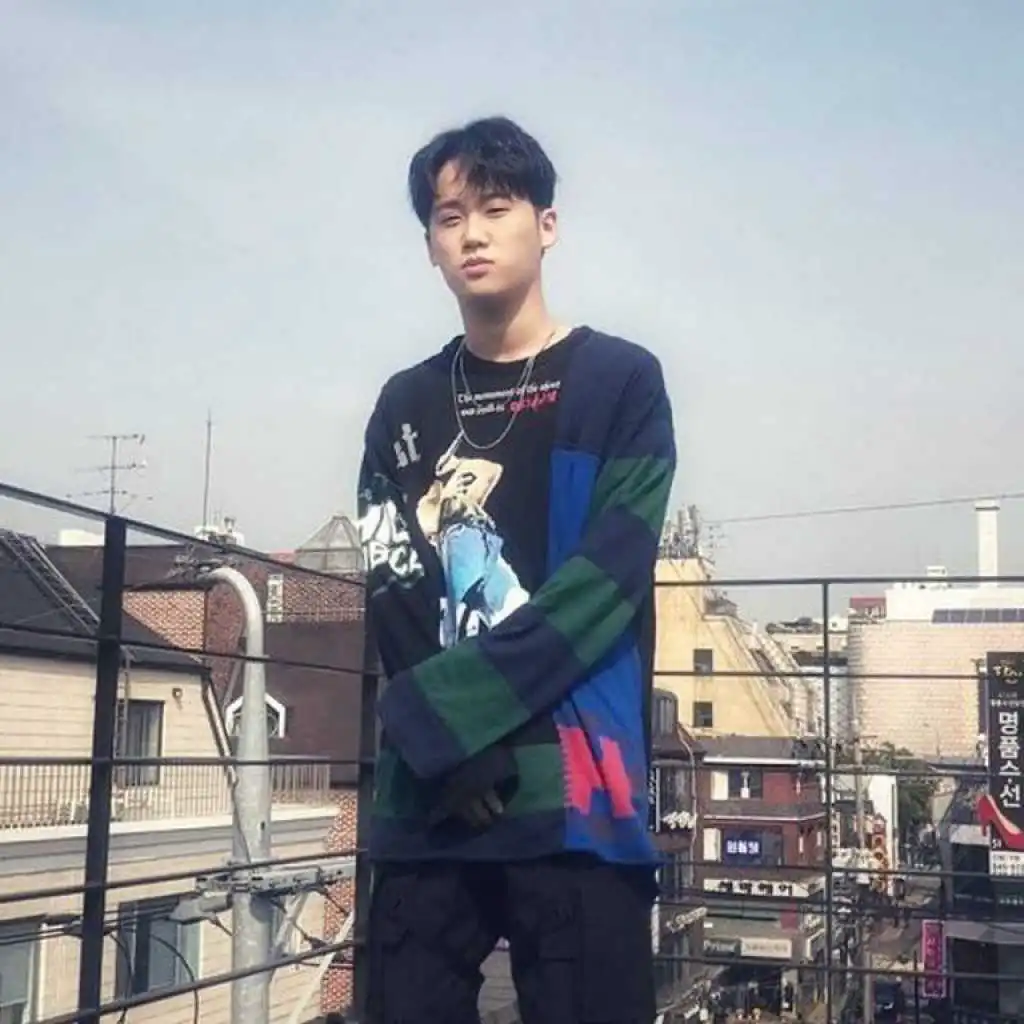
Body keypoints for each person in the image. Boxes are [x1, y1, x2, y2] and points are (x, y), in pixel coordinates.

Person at [357, 115, 676, 1024]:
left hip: (578, 791)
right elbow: (392, 584)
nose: (473, 233)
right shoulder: (404, 405)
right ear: (430, 244)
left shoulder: (621, 382)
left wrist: (446, 718)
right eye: (450, 216)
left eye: (497, 208)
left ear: (547, 224)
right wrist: (451, 751)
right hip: (431, 795)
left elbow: (606, 582)